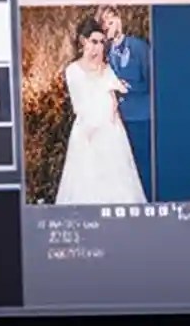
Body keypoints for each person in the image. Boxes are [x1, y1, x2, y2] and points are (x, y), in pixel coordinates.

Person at [54, 18, 147, 206]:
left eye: (102, 43)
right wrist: (93, 126)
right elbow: (79, 104)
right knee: (88, 182)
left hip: (112, 130)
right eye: (93, 42)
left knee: (118, 182)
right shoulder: (73, 70)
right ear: (83, 41)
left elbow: (115, 94)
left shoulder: (106, 68)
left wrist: (115, 106)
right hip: (88, 132)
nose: (98, 47)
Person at [98, 6, 152, 201]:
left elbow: (154, 81)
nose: (108, 28)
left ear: (119, 20)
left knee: (143, 165)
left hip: (141, 116)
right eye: (104, 26)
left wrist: (130, 87)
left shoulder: (139, 47)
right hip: (118, 120)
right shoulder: (105, 52)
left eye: (110, 23)